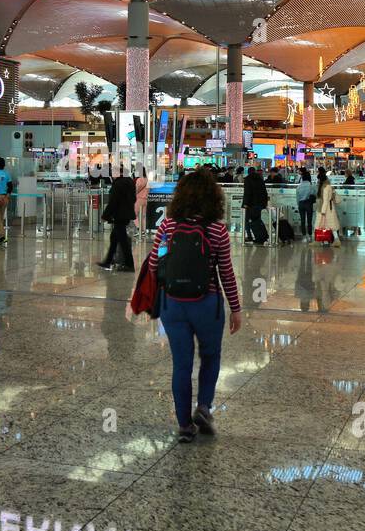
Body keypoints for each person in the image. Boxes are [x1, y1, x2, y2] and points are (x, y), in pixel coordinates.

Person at [146, 170, 242, 443]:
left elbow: (154, 265)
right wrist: (236, 309)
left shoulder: (167, 227)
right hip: (207, 304)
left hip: (173, 305)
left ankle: (185, 425)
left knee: (182, 365)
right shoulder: (217, 230)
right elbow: (226, 273)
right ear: (213, 198)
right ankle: (203, 407)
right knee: (210, 357)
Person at [98, 168, 137, 272]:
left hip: (119, 215)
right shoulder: (130, 182)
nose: (113, 175)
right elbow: (134, 198)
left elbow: (113, 202)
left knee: (123, 240)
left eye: (114, 173)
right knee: (114, 238)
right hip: (126, 214)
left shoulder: (118, 184)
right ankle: (108, 262)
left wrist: (105, 215)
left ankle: (129, 264)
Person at [242, 166, 269, 245]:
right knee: (257, 220)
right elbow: (264, 191)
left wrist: (245, 204)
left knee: (249, 221)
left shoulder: (247, 179)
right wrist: (265, 203)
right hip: (260, 203)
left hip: (251, 204)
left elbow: (247, 193)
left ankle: (255, 237)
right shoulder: (260, 179)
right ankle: (263, 236)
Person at [315, 175, 342, 243]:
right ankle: (335, 240)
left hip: (325, 208)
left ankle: (321, 241)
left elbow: (325, 200)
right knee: (331, 225)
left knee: (321, 224)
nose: (317, 181)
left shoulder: (325, 188)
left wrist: (323, 211)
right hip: (330, 208)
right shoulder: (329, 186)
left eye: (318, 180)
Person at [295, 169, 317, 239]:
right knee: (309, 220)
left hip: (301, 204)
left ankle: (304, 235)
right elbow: (315, 194)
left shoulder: (299, 186)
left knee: (302, 220)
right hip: (308, 203)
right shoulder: (311, 186)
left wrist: (299, 204)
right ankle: (310, 234)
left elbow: (297, 197)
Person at [134, 165, 149, 231]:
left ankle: (139, 228)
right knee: (143, 216)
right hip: (145, 200)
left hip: (139, 199)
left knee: (134, 214)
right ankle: (144, 230)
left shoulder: (139, 180)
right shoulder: (147, 179)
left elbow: (136, 190)